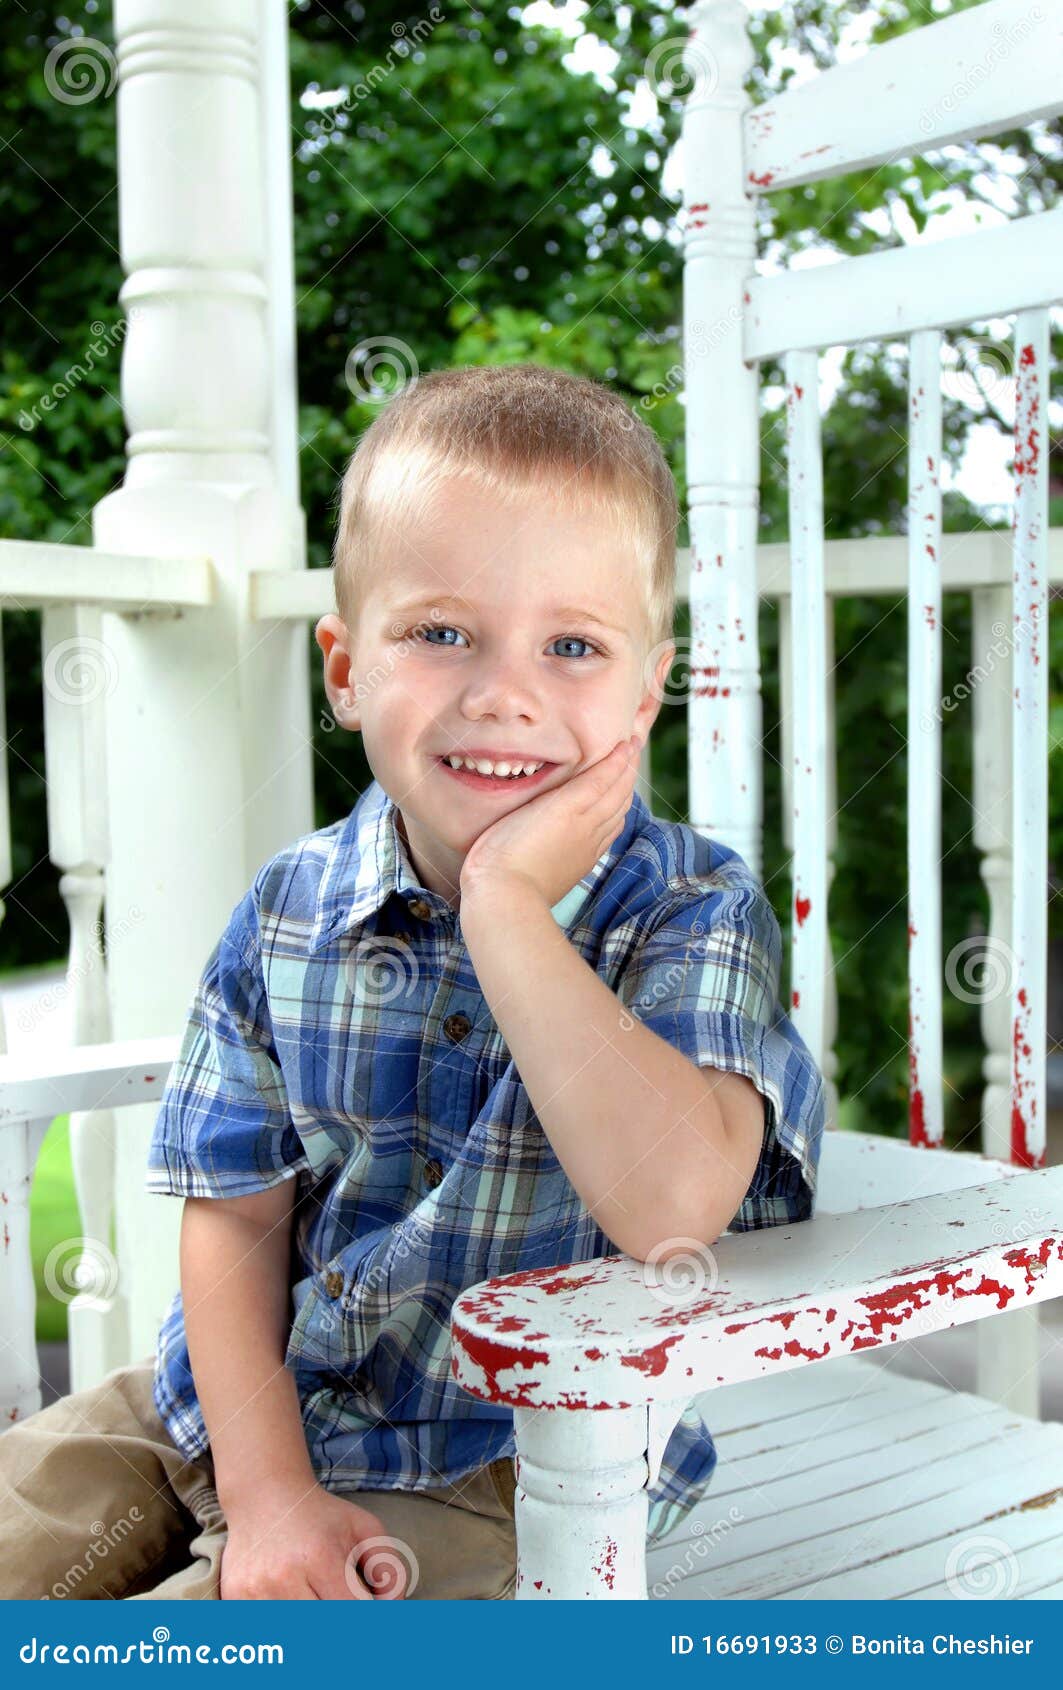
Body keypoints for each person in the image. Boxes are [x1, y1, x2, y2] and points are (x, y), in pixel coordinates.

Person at [0, 364, 825, 1601]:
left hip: (496, 1461)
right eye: (441, 632)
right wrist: (268, 1488)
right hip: (221, 1405)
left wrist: (504, 908)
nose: (504, 692)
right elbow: (234, 1218)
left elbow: (670, 1205)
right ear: (345, 669)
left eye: (573, 645)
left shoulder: (690, 912)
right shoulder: (289, 907)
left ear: (645, 695)